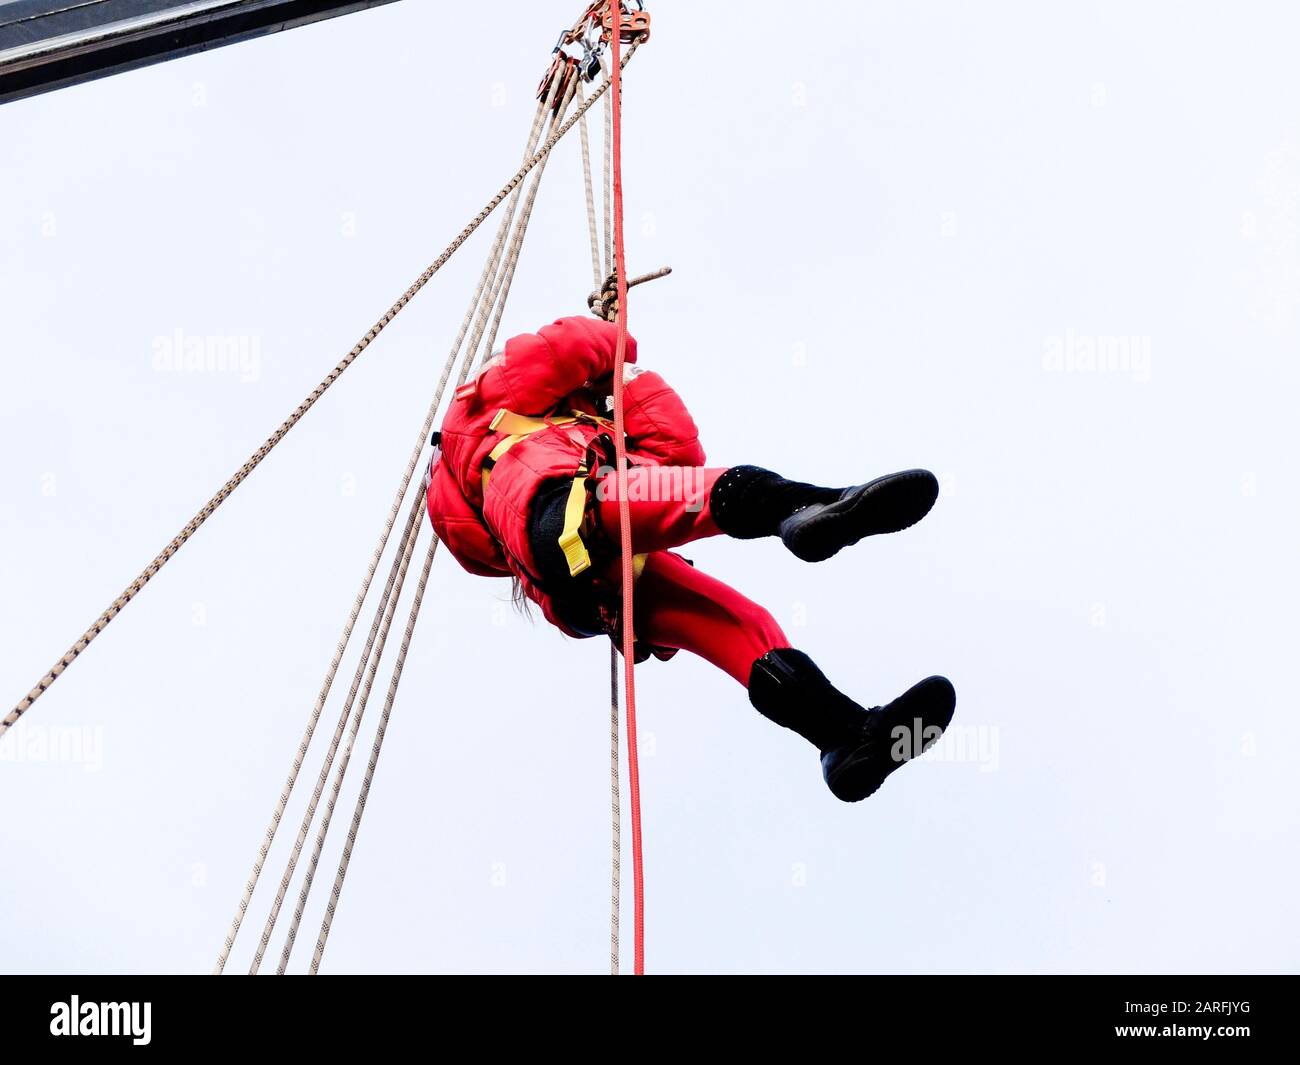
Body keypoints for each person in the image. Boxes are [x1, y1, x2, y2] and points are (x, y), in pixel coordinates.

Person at [426, 315, 955, 801]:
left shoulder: (544, 456)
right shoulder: (490, 406)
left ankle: (843, 738)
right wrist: (623, 361)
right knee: (708, 492)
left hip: (583, 583)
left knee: (744, 625)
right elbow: (569, 348)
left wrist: (613, 404)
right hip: (568, 507)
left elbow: (677, 454)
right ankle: (809, 506)